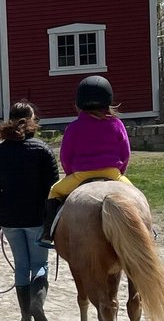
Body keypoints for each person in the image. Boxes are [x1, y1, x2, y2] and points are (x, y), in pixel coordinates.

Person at [0, 102, 59, 321]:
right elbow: (55, 189)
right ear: (32, 120)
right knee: (40, 265)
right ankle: (37, 303)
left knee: (21, 266)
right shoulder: (43, 150)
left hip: (9, 219)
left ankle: (26, 317)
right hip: (37, 218)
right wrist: (53, 221)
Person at [39, 74, 131, 248]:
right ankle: (147, 231)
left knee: (54, 191)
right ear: (108, 101)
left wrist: (70, 175)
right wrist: (120, 173)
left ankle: (48, 233)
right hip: (112, 173)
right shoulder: (117, 124)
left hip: (81, 176)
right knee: (137, 196)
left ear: (80, 102)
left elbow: (65, 157)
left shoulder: (73, 127)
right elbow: (125, 153)